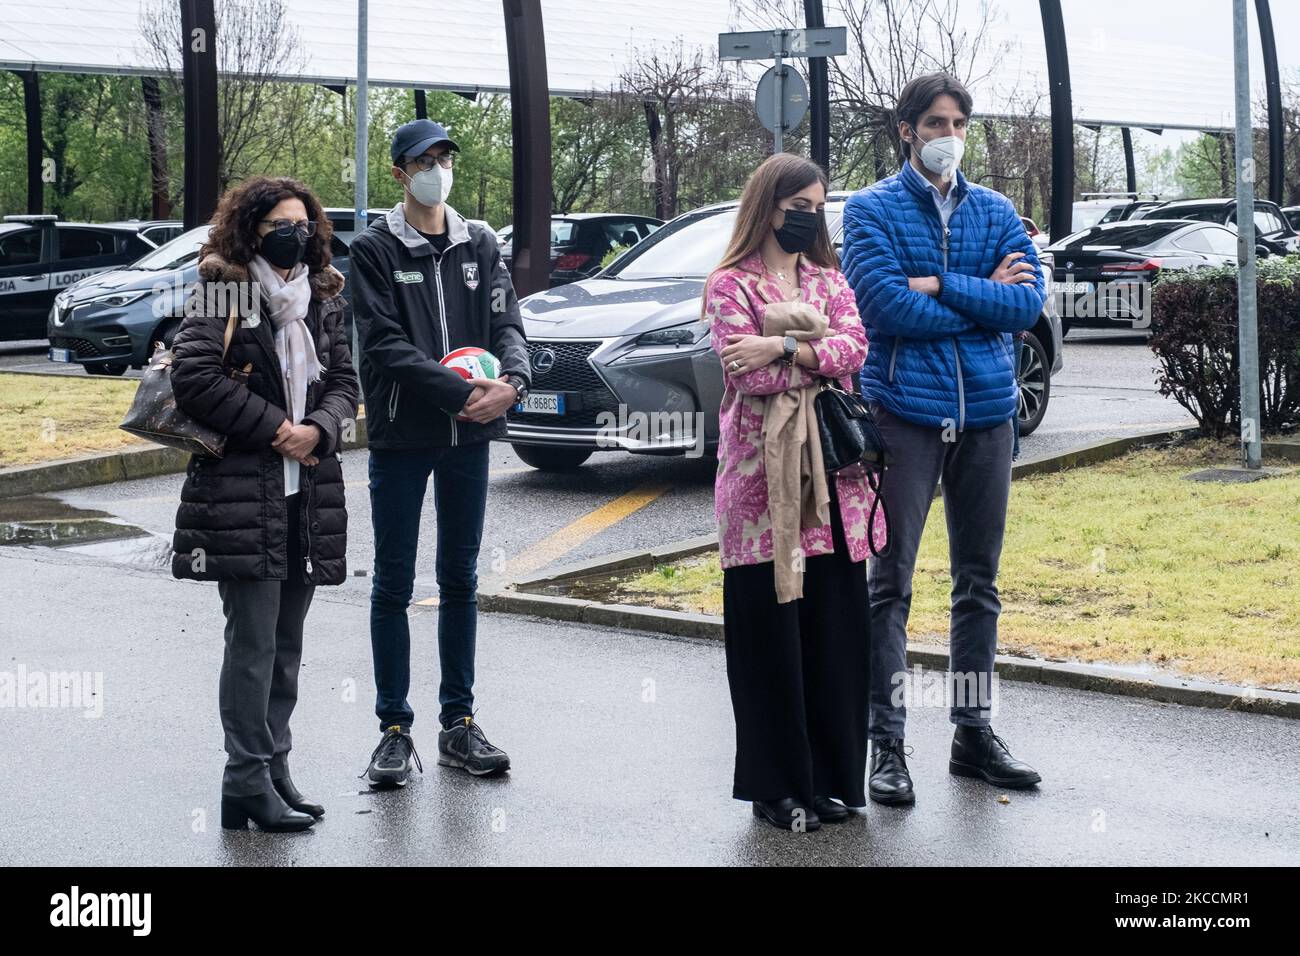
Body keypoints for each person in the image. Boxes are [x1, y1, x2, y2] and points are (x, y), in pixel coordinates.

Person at [839, 72, 1047, 806]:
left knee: (977, 583)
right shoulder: (870, 210)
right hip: (906, 415)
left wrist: (941, 283)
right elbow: (884, 308)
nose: (947, 136)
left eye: (958, 123)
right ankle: (886, 743)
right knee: (889, 583)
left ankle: (972, 733)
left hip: (988, 416)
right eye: (933, 123)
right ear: (906, 131)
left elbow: (1026, 302)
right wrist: (972, 291)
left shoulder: (995, 210)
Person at [703, 152, 887, 832]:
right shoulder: (729, 285)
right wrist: (812, 345)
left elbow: (856, 348)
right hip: (760, 493)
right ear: (767, 208)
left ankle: (833, 780)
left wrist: (780, 346)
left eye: (818, 204)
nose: (809, 216)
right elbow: (741, 372)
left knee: (834, 635)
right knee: (768, 640)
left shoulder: (828, 277)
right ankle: (775, 786)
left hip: (835, 486)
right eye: (797, 206)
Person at [170, 175, 359, 831]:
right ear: (251, 227)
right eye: (282, 223)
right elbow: (194, 377)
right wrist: (278, 427)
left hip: (306, 496)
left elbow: (344, 382)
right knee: (250, 648)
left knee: (284, 647)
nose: (295, 234)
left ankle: (274, 771)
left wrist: (321, 429)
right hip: (242, 495)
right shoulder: (227, 287)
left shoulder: (324, 298)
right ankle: (244, 782)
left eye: (305, 224)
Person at [349, 118, 531, 786]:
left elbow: (509, 322)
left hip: (470, 438)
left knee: (460, 579)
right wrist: (459, 395)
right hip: (405, 437)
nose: (437, 167)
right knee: (393, 583)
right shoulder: (373, 250)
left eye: (445, 156)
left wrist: (511, 384)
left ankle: (459, 724)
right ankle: (394, 730)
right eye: (424, 159)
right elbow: (384, 346)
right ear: (399, 171)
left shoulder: (479, 242)